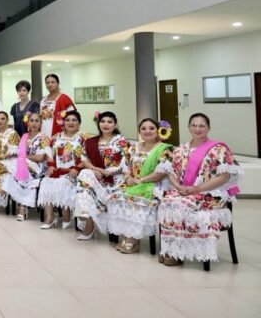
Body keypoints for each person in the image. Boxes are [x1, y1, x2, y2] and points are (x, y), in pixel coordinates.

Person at [158, 113, 243, 266]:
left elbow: (223, 177)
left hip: (208, 192)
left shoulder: (218, 150)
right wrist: (178, 187)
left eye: (202, 125)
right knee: (167, 201)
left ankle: (179, 253)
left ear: (208, 128)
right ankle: (173, 249)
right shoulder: (180, 149)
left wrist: (196, 189)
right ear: (189, 127)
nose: (198, 129)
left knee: (181, 204)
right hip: (183, 190)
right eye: (194, 125)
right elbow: (169, 171)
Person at [106, 119, 174, 254]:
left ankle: (133, 239)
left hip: (153, 185)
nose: (147, 131)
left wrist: (141, 180)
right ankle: (126, 235)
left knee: (134, 199)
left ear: (158, 130)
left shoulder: (164, 149)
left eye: (151, 128)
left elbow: (160, 173)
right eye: (143, 128)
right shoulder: (133, 147)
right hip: (133, 182)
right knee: (117, 196)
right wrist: (128, 177)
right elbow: (126, 166)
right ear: (139, 132)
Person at [74, 111, 130, 240]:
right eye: (103, 121)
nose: (106, 124)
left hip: (116, 180)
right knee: (85, 173)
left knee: (86, 179)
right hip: (97, 177)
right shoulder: (90, 141)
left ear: (115, 125)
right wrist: (96, 169)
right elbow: (84, 160)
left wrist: (108, 172)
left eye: (109, 122)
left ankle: (89, 221)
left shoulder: (121, 142)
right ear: (98, 124)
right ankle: (86, 214)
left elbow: (127, 164)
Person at [38, 110, 85, 230]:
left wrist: (77, 168)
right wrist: (51, 165)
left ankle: (66, 215)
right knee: (45, 182)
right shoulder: (56, 137)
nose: (70, 122)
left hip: (74, 172)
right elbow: (48, 152)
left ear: (79, 123)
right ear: (63, 123)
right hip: (57, 170)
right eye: (67, 120)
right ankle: (50, 217)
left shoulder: (84, 138)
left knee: (63, 183)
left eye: (74, 120)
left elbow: (87, 157)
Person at [1, 112, 51, 221]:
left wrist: (25, 157)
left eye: (37, 121)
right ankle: (22, 208)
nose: (34, 123)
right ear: (27, 123)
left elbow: (41, 158)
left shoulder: (44, 138)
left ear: (41, 123)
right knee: (13, 170)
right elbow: (18, 152)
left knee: (18, 166)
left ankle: (20, 206)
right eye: (31, 120)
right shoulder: (24, 136)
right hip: (24, 168)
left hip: (38, 168)